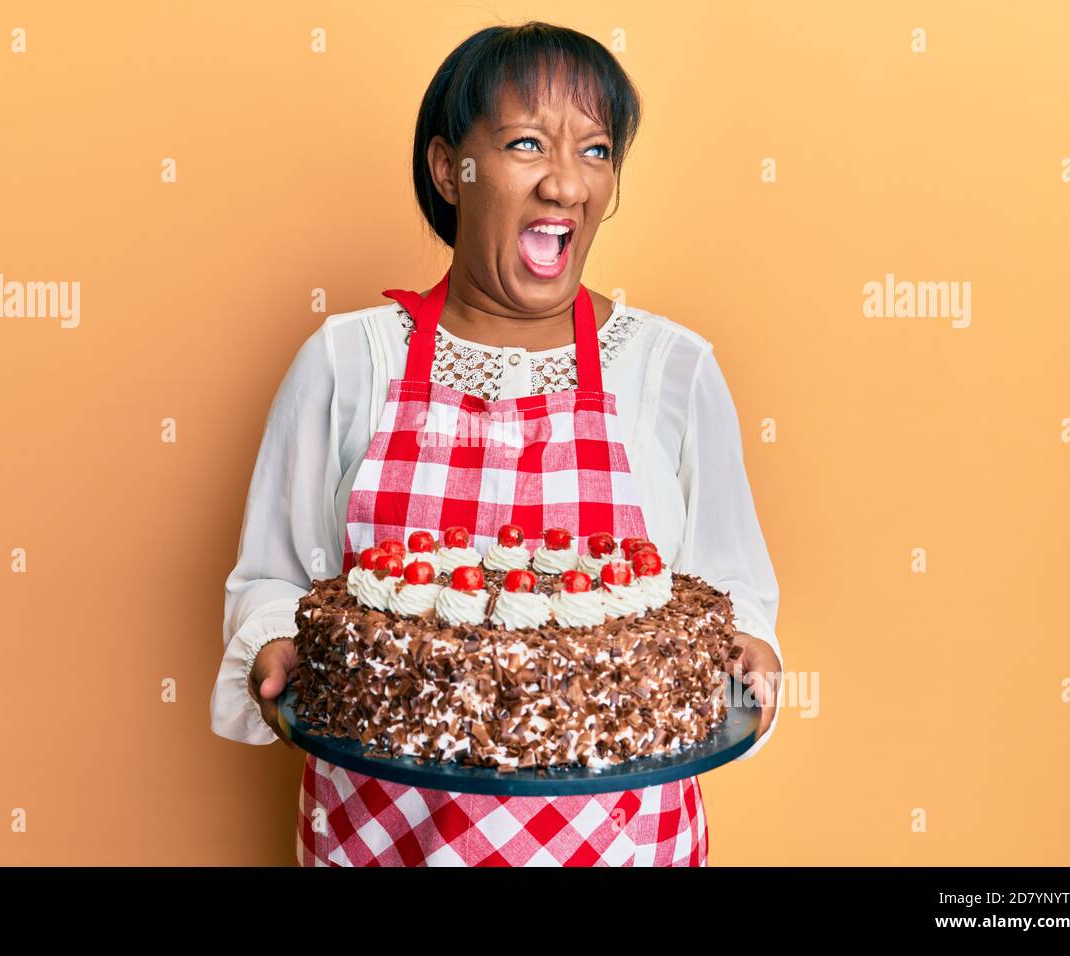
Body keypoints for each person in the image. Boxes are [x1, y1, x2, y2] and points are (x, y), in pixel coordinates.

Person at [211, 21, 782, 866]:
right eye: (525, 143)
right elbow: (272, 577)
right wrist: (272, 642)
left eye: (595, 150)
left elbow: (732, 587)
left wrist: (753, 651)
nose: (565, 183)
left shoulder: (673, 372)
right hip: (382, 835)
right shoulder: (346, 361)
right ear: (450, 169)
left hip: (627, 841)